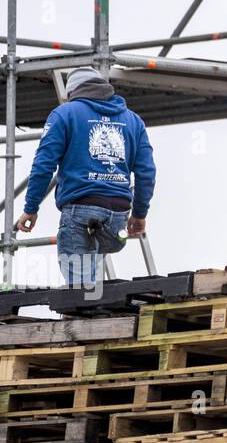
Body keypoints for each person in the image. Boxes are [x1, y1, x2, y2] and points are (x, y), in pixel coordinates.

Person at [15, 67, 156, 287]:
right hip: (118, 213)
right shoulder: (133, 120)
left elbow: (44, 165)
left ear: (72, 92)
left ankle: (84, 312)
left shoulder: (65, 114)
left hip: (80, 208)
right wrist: (139, 213)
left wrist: (31, 207)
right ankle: (95, 300)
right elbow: (146, 171)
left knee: (79, 285)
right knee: (93, 266)